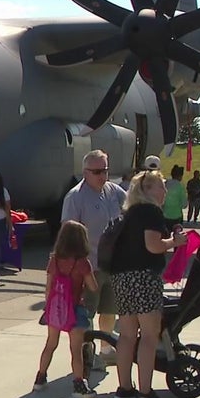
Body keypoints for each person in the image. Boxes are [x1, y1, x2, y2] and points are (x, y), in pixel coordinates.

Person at [108, 170, 184, 398]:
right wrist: (174, 242)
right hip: (144, 277)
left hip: (122, 277)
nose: (165, 191)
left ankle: (124, 388)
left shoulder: (129, 213)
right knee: (150, 336)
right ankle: (144, 392)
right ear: (148, 190)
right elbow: (153, 246)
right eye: (161, 187)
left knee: (128, 335)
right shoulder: (150, 212)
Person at [61, 149, 127, 367]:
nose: (102, 176)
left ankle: (105, 349)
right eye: (97, 171)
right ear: (85, 172)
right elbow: (68, 235)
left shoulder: (113, 192)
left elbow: (132, 205)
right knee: (86, 313)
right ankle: (86, 353)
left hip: (113, 264)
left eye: (105, 170)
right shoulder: (76, 197)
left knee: (109, 310)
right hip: (89, 267)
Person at [33, 220, 99, 398]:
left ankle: (40, 377)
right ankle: (78, 385)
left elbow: (48, 288)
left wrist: (50, 306)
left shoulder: (54, 260)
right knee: (75, 349)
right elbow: (93, 287)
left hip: (56, 307)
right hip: (76, 308)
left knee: (50, 344)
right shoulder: (83, 263)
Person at [162, 164, 186, 231]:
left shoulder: (165, 184)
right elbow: (184, 205)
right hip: (177, 217)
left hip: (165, 216)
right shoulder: (180, 186)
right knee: (177, 238)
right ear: (180, 176)